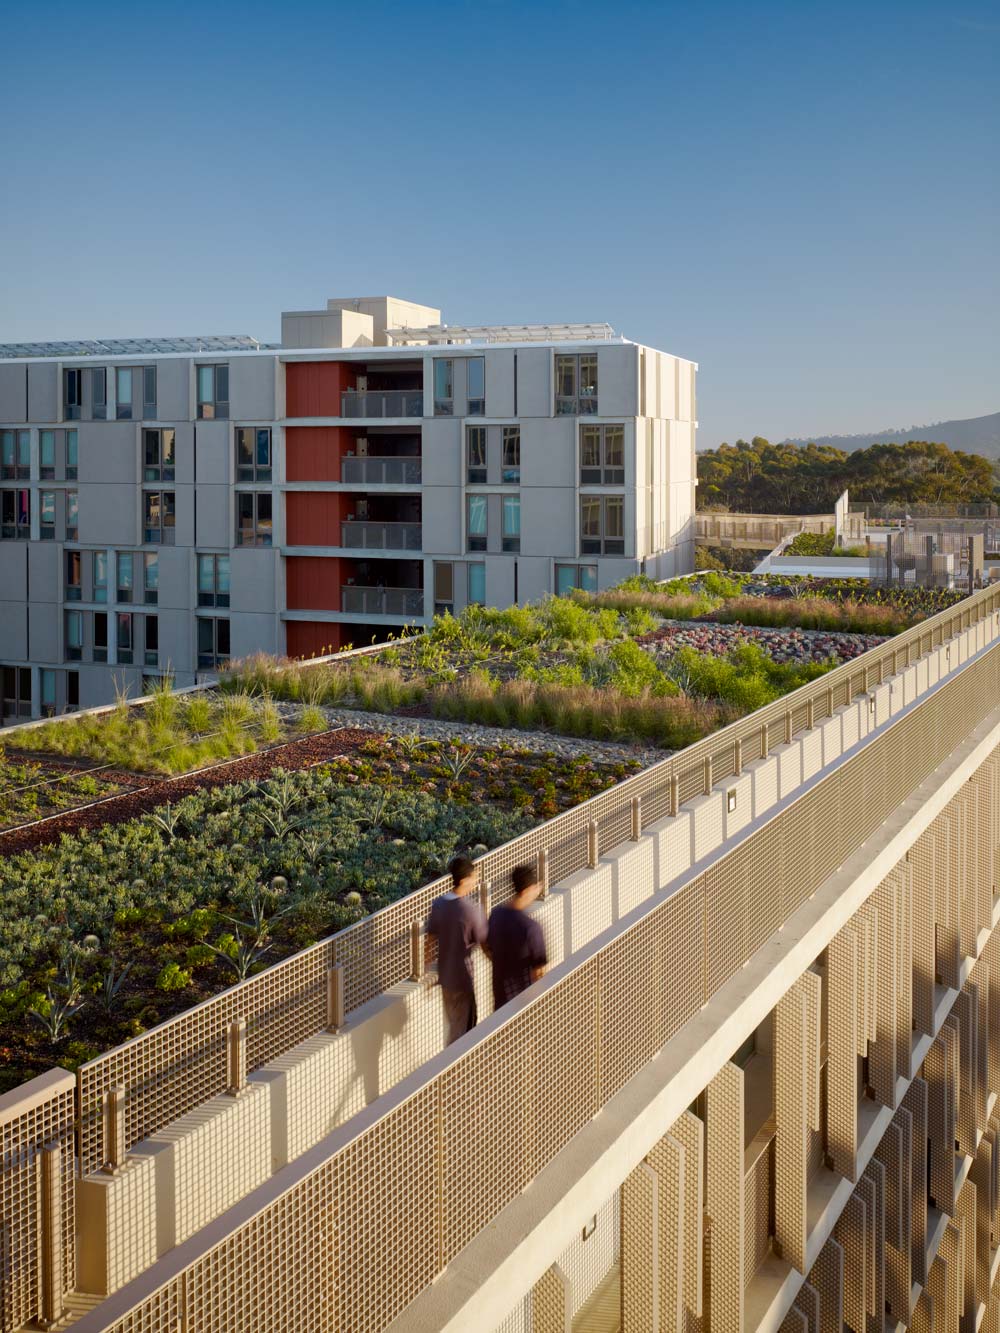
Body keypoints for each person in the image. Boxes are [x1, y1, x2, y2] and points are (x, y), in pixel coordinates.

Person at [426, 854, 487, 1045]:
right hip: (463, 979)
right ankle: (454, 1070)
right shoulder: (471, 910)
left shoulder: (439, 905)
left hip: (445, 978)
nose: (476, 881)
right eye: (474, 877)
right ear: (464, 880)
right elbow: (485, 941)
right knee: (463, 1029)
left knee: (454, 1022)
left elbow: (430, 940)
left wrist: (427, 969)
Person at [487, 863, 548, 1011]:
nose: (538, 889)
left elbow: (487, 946)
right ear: (526, 891)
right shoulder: (531, 928)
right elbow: (539, 972)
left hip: (500, 1000)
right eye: (536, 887)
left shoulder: (496, 914)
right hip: (524, 1005)